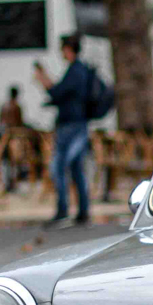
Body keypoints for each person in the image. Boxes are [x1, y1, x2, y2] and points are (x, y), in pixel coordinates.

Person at [33, 36, 92, 224]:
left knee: (58, 167)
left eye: (63, 49)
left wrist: (43, 79)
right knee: (76, 168)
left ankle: (63, 209)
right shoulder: (80, 71)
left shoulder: (75, 71)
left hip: (70, 126)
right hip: (78, 124)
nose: (61, 53)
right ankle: (82, 210)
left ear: (68, 49)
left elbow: (57, 93)